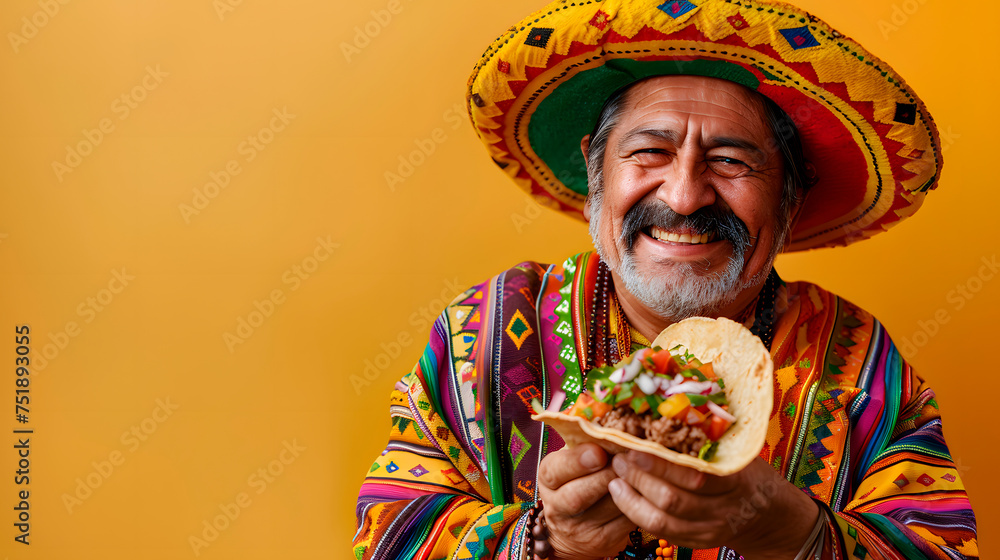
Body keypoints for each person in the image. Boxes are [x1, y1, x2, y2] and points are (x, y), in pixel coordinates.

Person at [353, 0, 978, 558]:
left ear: (790, 198)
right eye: (650, 151)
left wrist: (793, 533)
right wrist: (550, 543)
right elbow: (392, 535)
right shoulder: (485, 332)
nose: (683, 197)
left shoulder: (860, 363)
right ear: (597, 175)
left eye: (730, 161)